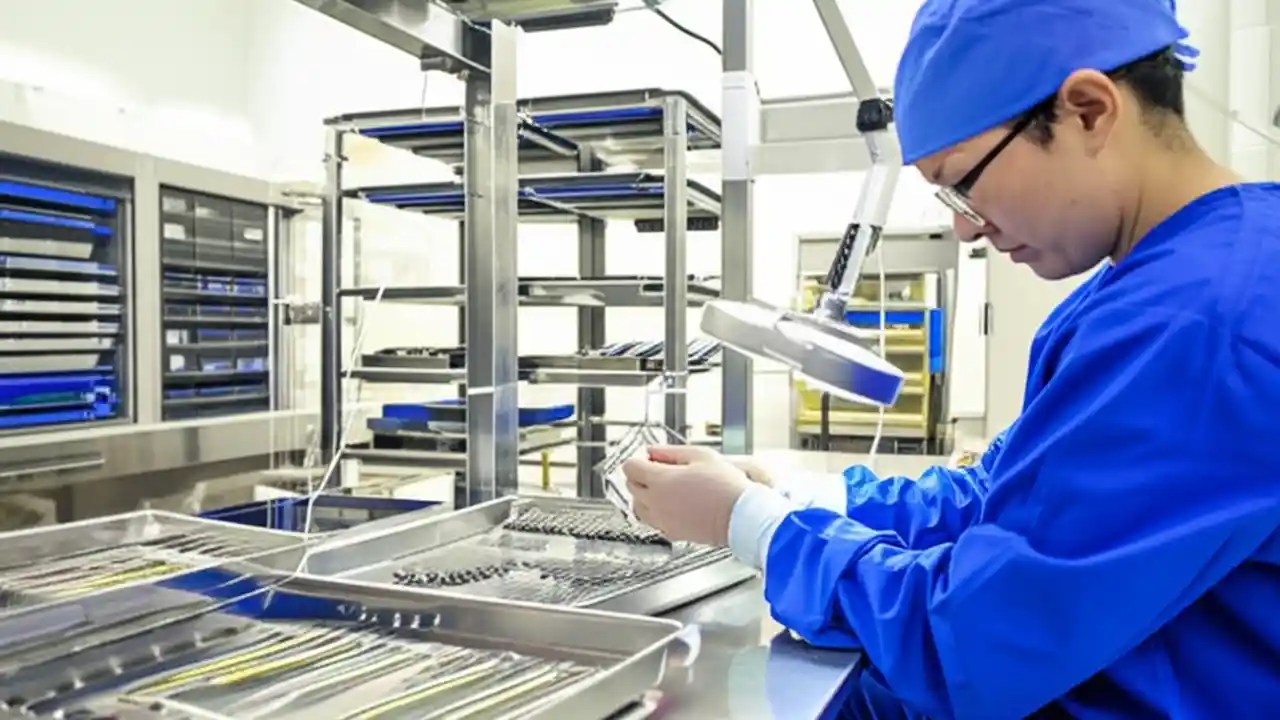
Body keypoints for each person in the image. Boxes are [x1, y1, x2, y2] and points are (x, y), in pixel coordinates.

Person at [621, 0, 1280, 717]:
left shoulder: (1201, 324)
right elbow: (1003, 501)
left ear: (1088, 110)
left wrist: (752, 526)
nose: (964, 227)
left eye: (962, 180)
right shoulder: (1161, 284)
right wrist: (800, 493)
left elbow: (972, 639)